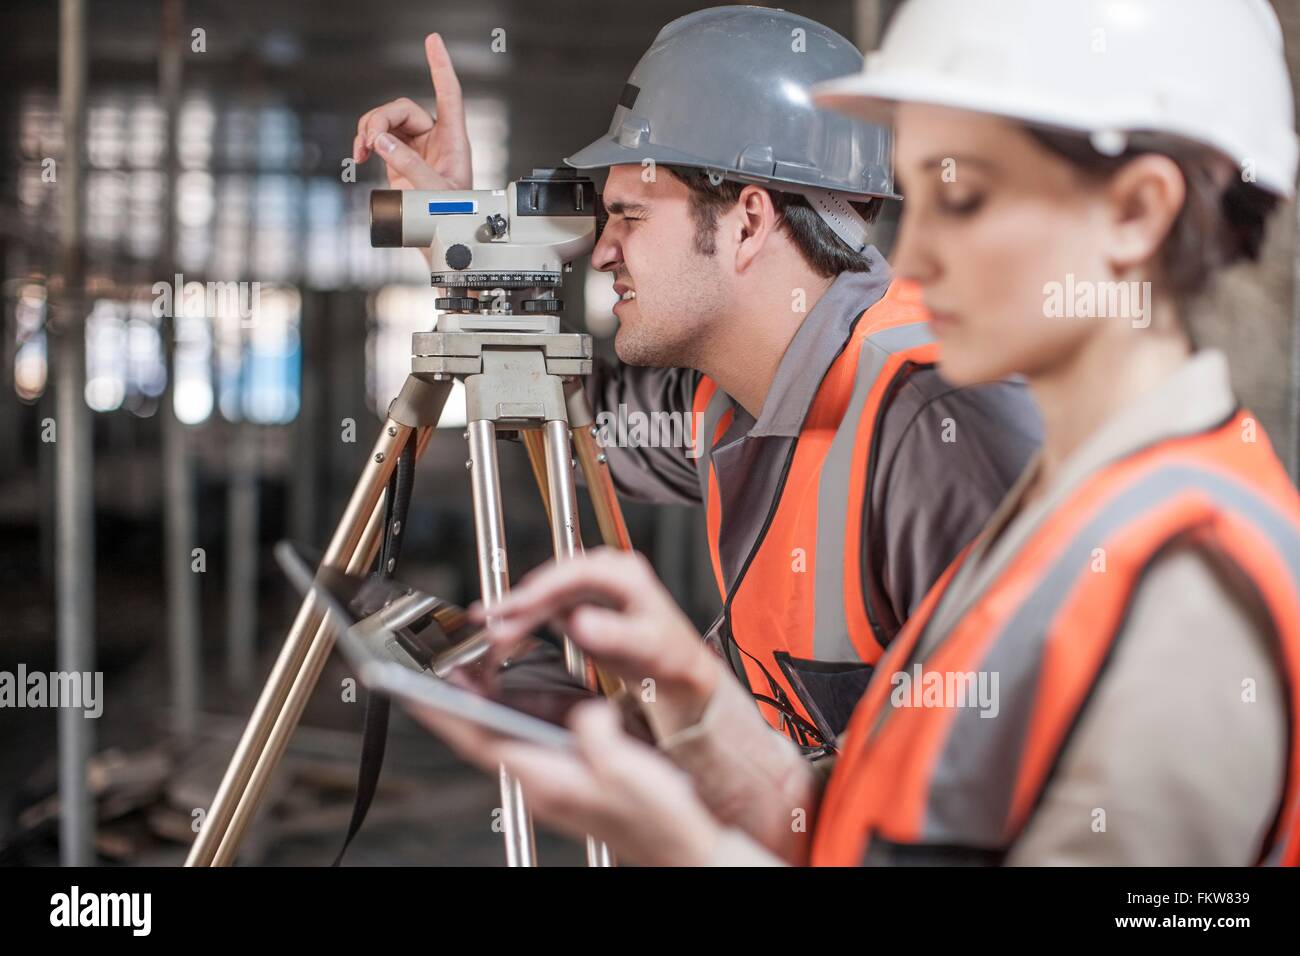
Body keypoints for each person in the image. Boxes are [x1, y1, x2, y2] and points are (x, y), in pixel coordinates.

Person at [407, 0, 1300, 866]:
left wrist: (690, 848)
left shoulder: (1179, 590)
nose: (908, 261)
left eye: (969, 196)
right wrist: (703, 716)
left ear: (1136, 213)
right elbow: (910, 820)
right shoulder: (1069, 504)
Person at [353, 8, 1041, 747]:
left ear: (747, 221)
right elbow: (558, 417)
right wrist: (465, 244)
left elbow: (1011, 794)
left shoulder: (937, 422)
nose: (602, 253)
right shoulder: (722, 396)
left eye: (630, 217)